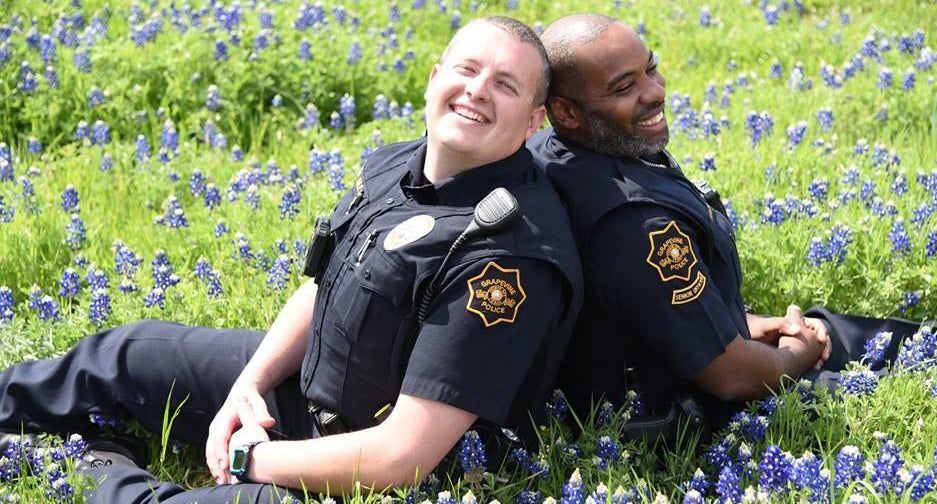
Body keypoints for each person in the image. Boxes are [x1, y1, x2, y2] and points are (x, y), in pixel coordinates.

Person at [0, 16, 582, 503]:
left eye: (506, 85)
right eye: (467, 69)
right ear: (434, 78)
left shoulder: (507, 256)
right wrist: (247, 388)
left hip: (376, 472)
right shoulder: (397, 165)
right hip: (310, 389)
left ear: (534, 121)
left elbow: (400, 457)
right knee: (119, 355)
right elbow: (325, 285)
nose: (477, 90)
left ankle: (93, 464)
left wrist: (255, 458)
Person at [528, 12, 937, 440]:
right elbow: (730, 377)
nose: (654, 92)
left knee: (890, 338)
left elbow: (639, 307)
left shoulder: (550, 151)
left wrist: (749, 325)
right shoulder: (638, 226)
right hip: (686, 408)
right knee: (913, 384)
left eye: (651, 69)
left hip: (681, 346)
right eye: (624, 87)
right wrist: (794, 355)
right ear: (565, 111)